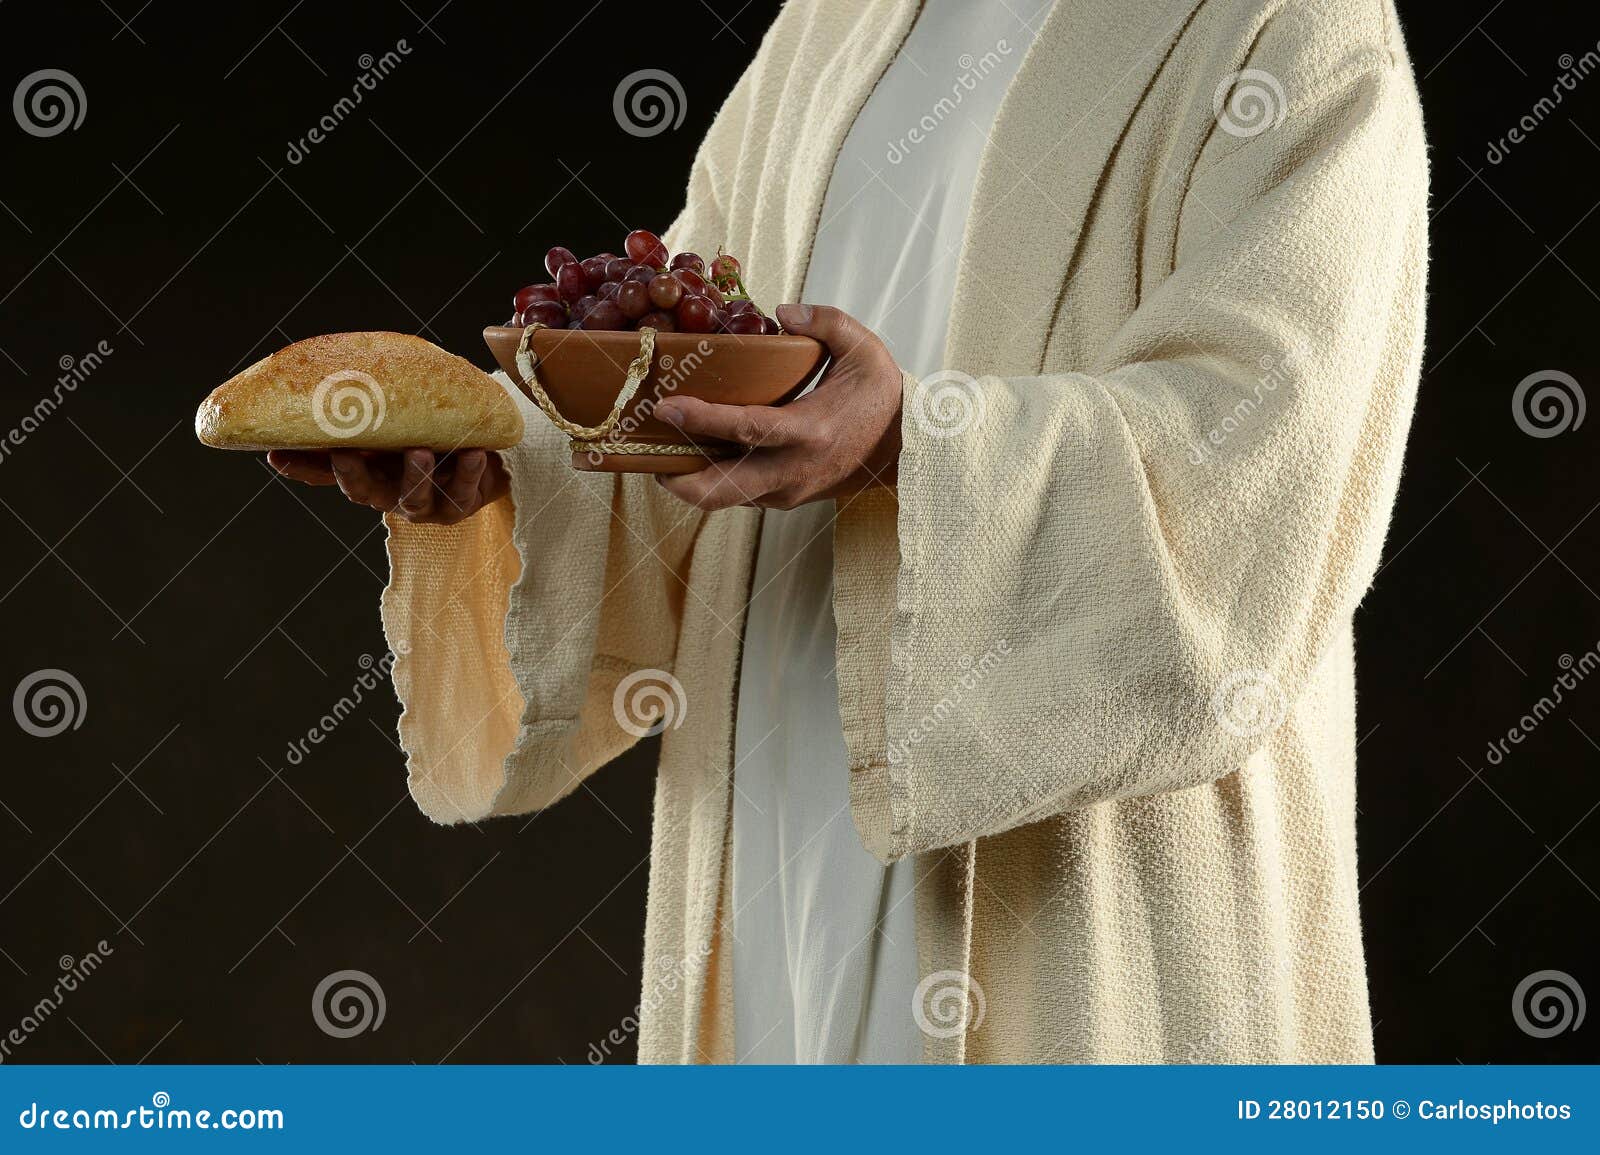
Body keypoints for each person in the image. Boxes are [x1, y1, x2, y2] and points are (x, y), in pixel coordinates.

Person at [270, 0, 1429, 1063]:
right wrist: (498, 460)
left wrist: (907, 448)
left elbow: (1263, 451)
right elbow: (687, 365)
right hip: (776, 813)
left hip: (1080, 876)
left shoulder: (1287, 30)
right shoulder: (835, 25)